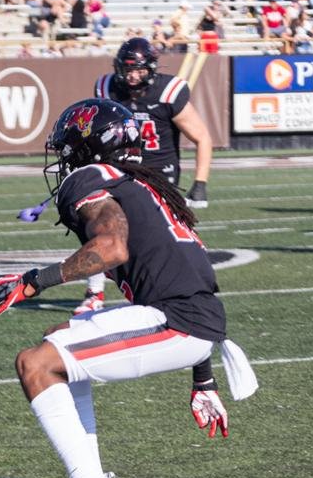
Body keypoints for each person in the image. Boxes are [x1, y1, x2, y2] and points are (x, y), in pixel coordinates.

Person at [0, 98, 255, 478]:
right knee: (57, 341)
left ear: (89, 145)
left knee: (35, 364)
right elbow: (187, 277)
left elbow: (111, 249)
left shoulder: (89, 179)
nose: (64, 153)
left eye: (69, 143)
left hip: (178, 322)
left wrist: (33, 282)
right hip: (192, 319)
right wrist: (203, 377)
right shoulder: (146, 186)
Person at [75, 37, 213, 314]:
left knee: (160, 238)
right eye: (129, 70)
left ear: (151, 69)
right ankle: (94, 293)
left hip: (159, 175)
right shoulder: (106, 88)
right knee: (99, 226)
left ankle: (189, 286)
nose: (134, 76)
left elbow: (202, 137)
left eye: (140, 70)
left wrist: (200, 182)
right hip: (121, 170)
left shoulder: (168, 91)